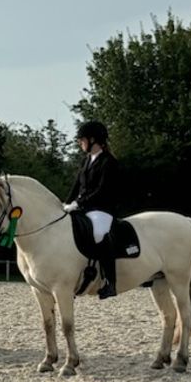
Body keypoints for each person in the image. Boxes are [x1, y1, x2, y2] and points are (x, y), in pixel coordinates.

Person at [63, 119, 120, 299]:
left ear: (93, 140)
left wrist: (79, 203)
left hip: (101, 210)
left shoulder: (108, 162)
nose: (80, 143)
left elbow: (102, 190)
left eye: (82, 140)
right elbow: (76, 186)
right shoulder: (85, 161)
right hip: (83, 208)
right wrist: (64, 204)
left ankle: (111, 282)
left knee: (99, 234)